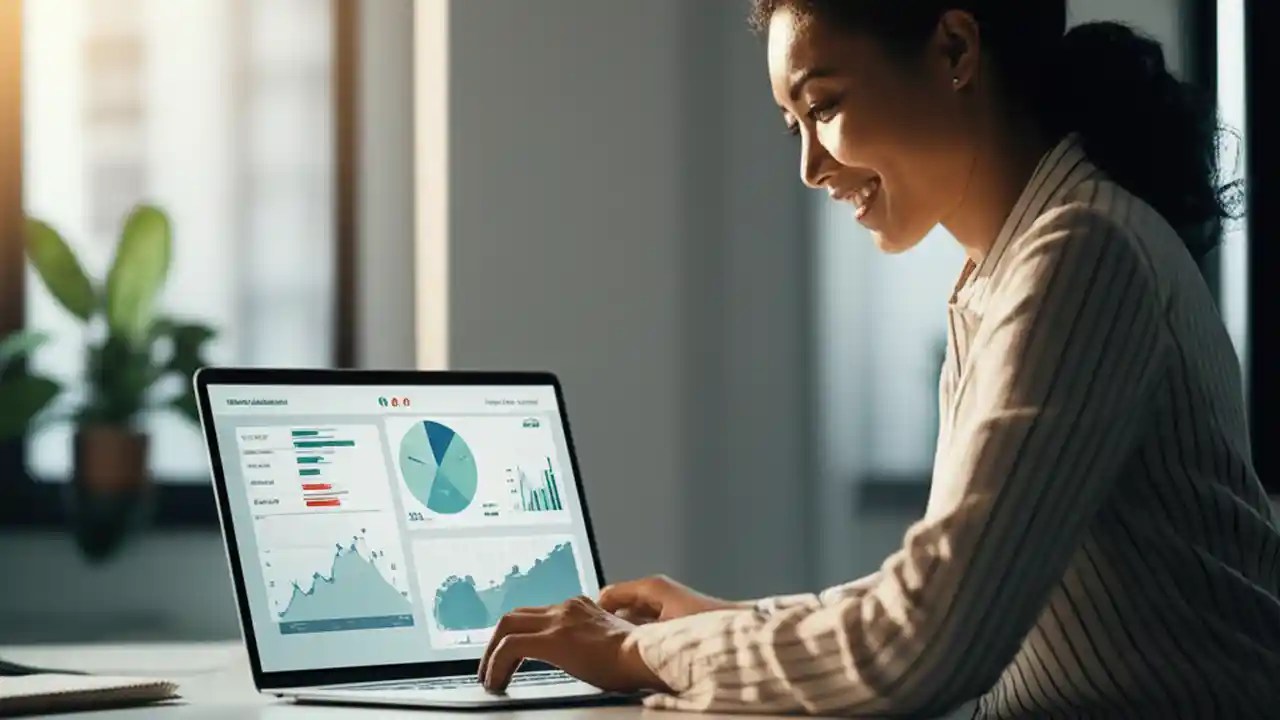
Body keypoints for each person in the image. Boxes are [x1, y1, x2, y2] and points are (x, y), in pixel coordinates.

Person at [477, 1, 1280, 717]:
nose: (810, 167)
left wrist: (636, 653)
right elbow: (932, 603)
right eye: (793, 125)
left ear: (957, 50)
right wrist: (716, 627)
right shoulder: (1002, 274)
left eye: (823, 106)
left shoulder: (1079, 252)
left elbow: (923, 645)